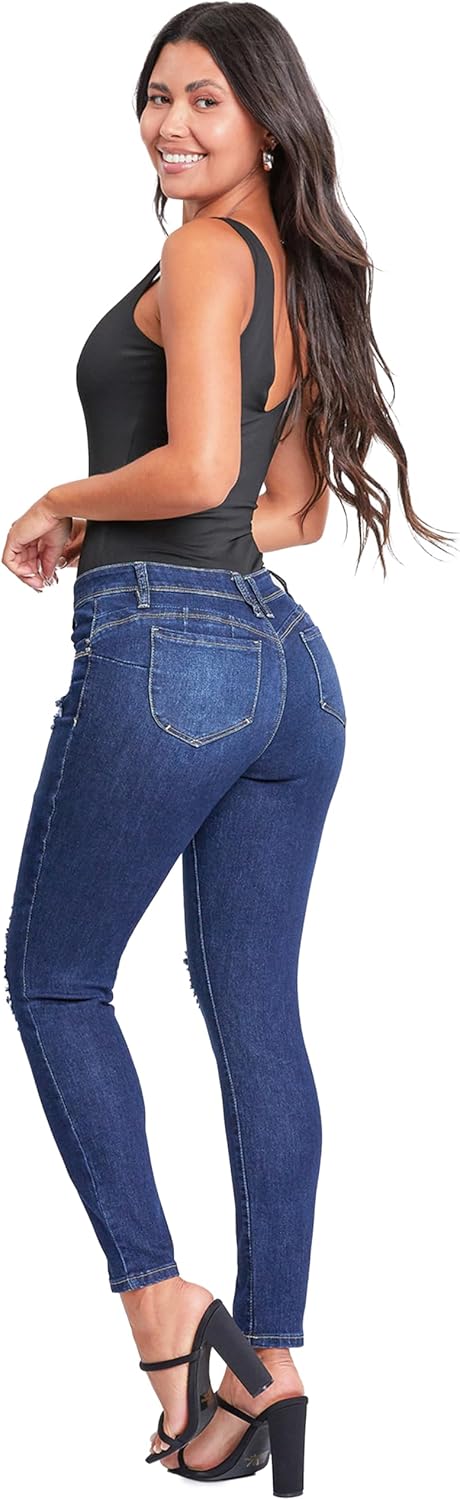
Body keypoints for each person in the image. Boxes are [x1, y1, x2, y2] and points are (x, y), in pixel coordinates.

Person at [2, 5, 454, 1493]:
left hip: (171, 657)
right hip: (287, 674)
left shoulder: (203, 255)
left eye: (205, 98)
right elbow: (289, 511)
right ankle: (277, 1358)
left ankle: (165, 1306)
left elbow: (199, 469)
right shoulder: (296, 270)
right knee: (252, 1003)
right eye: (155, 98)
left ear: (267, 116)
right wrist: (151, 524)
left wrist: (65, 496)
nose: (171, 125)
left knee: (55, 977)